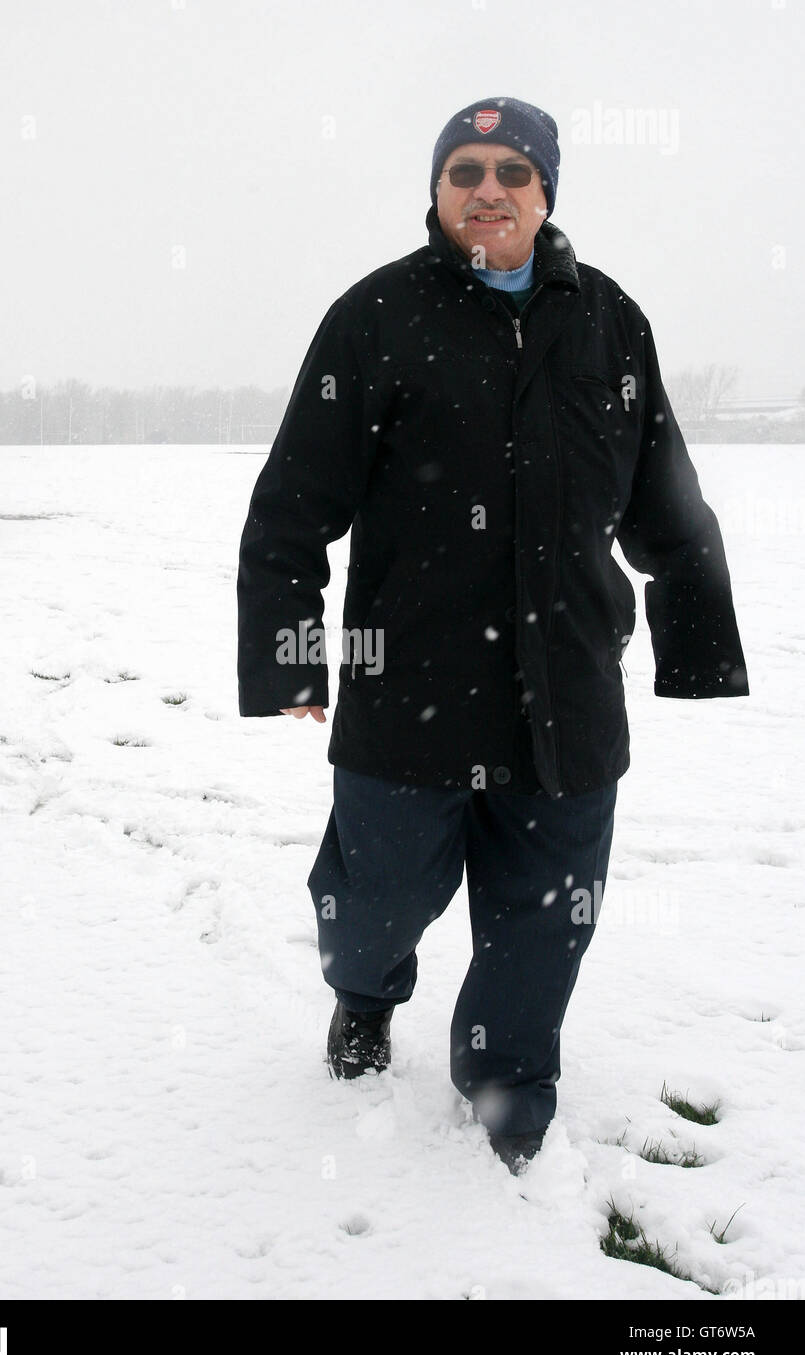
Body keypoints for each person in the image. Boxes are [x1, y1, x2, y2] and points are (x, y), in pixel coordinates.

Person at [236, 97, 749, 1175]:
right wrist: (290, 653)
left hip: (565, 690)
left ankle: (508, 1079)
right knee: (373, 905)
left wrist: (696, 646)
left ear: (545, 193)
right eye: (464, 168)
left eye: (513, 171)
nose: (488, 188)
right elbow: (291, 506)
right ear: (434, 191)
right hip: (404, 692)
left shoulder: (610, 323)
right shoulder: (373, 318)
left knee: (541, 919)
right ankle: (363, 998)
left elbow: (669, 500)